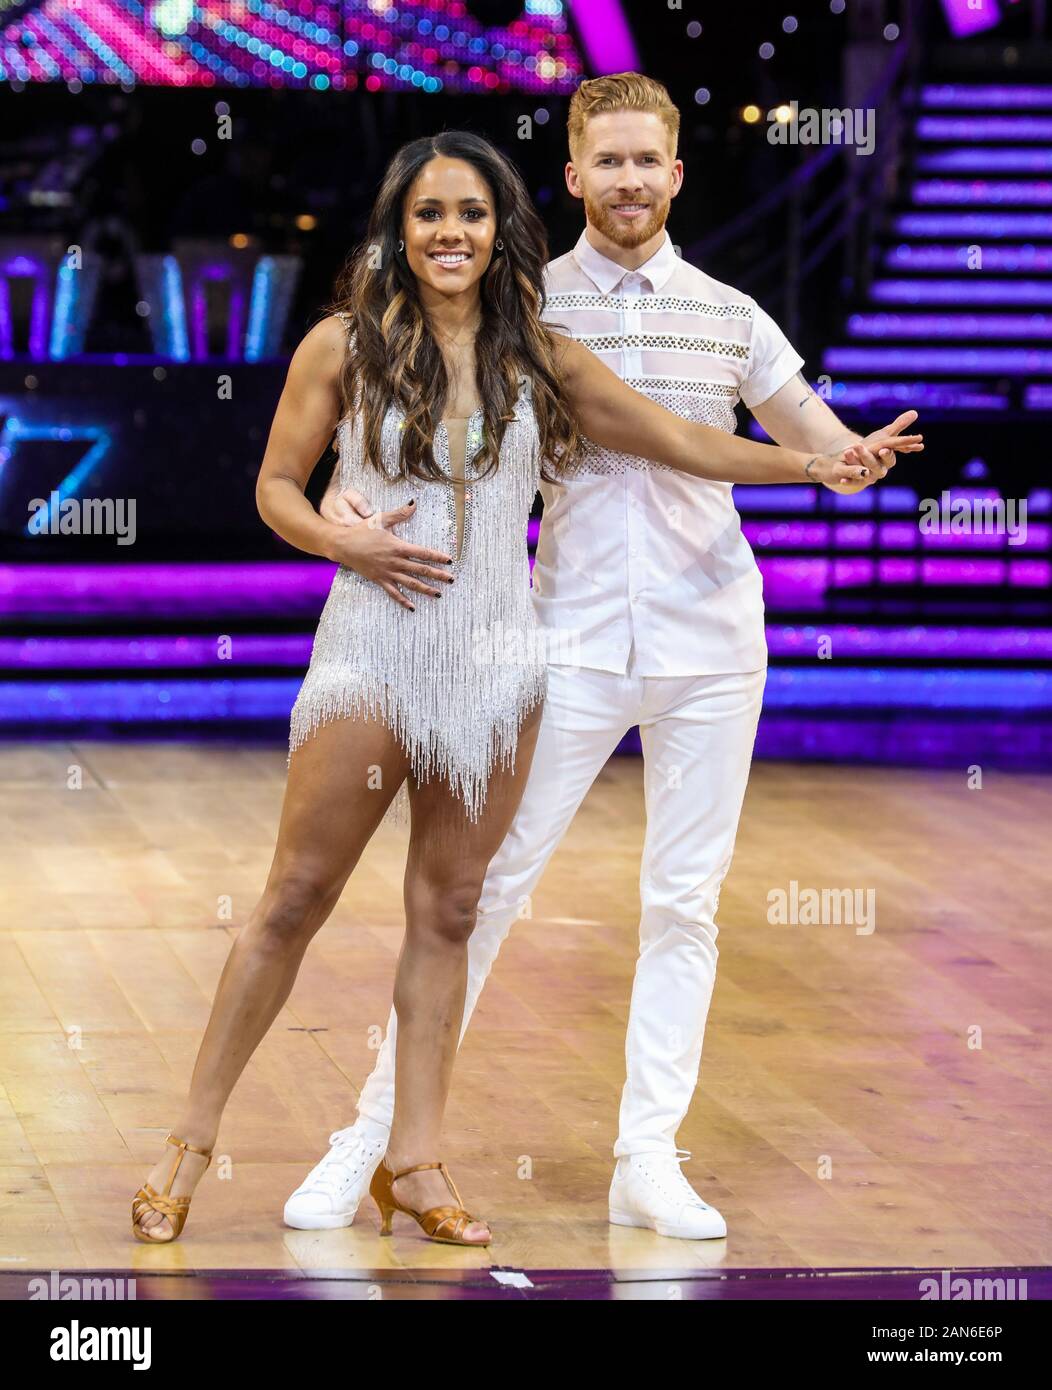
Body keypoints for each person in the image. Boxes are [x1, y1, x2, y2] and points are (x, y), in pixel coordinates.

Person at [131, 126, 919, 1249]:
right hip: (372, 648)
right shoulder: (339, 346)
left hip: (502, 665)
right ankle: (188, 1147)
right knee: (293, 900)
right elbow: (272, 488)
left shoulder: (536, 354)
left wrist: (813, 461)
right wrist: (339, 545)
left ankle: (415, 1161)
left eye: (469, 214)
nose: (449, 233)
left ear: (500, 230)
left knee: (449, 912)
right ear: (398, 231)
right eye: (428, 214)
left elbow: (678, 441)